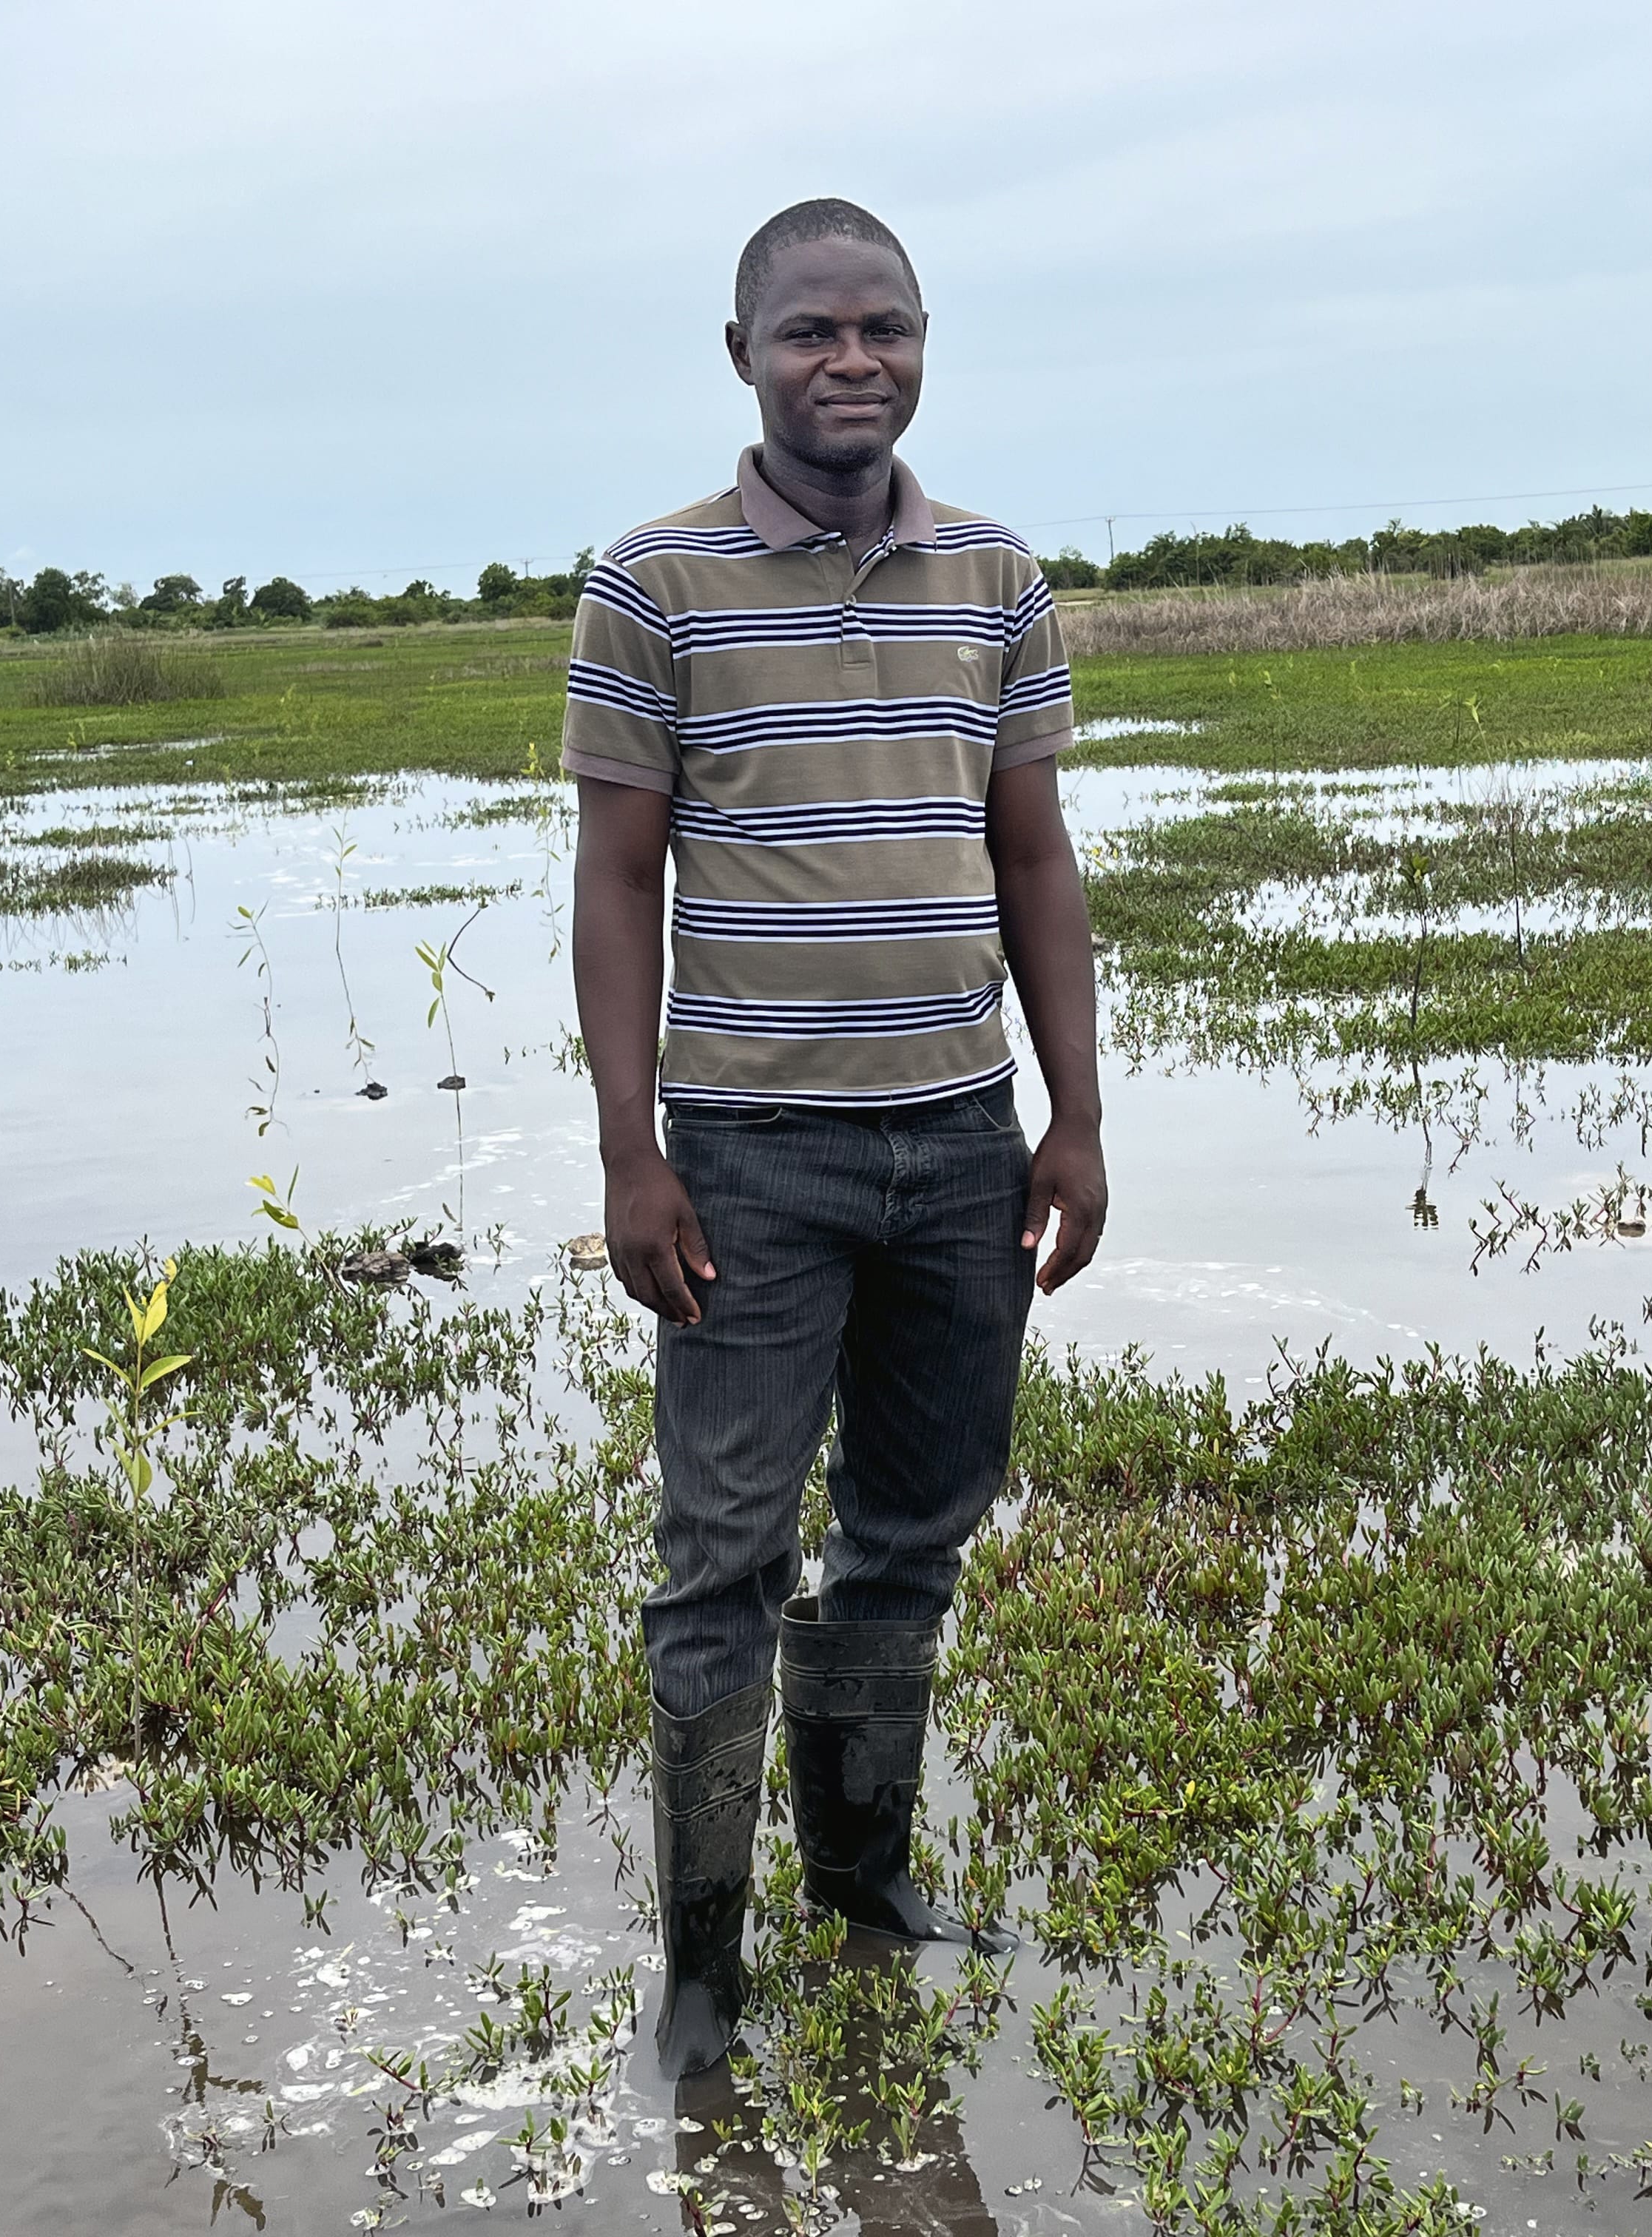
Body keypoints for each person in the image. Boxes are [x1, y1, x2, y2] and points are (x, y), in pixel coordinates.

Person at [564, 196, 1107, 2079]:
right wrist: (633, 1155)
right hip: (749, 1158)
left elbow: (1032, 858)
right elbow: (617, 882)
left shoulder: (997, 576)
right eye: (812, 332)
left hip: (959, 1144)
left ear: (925, 343)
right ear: (744, 356)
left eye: (887, 328)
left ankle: (865, 1884)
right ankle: (703, 1968)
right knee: (720, 1553)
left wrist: (1073, 1119)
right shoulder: (652, 585)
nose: (852, 361)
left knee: (912, 1533)